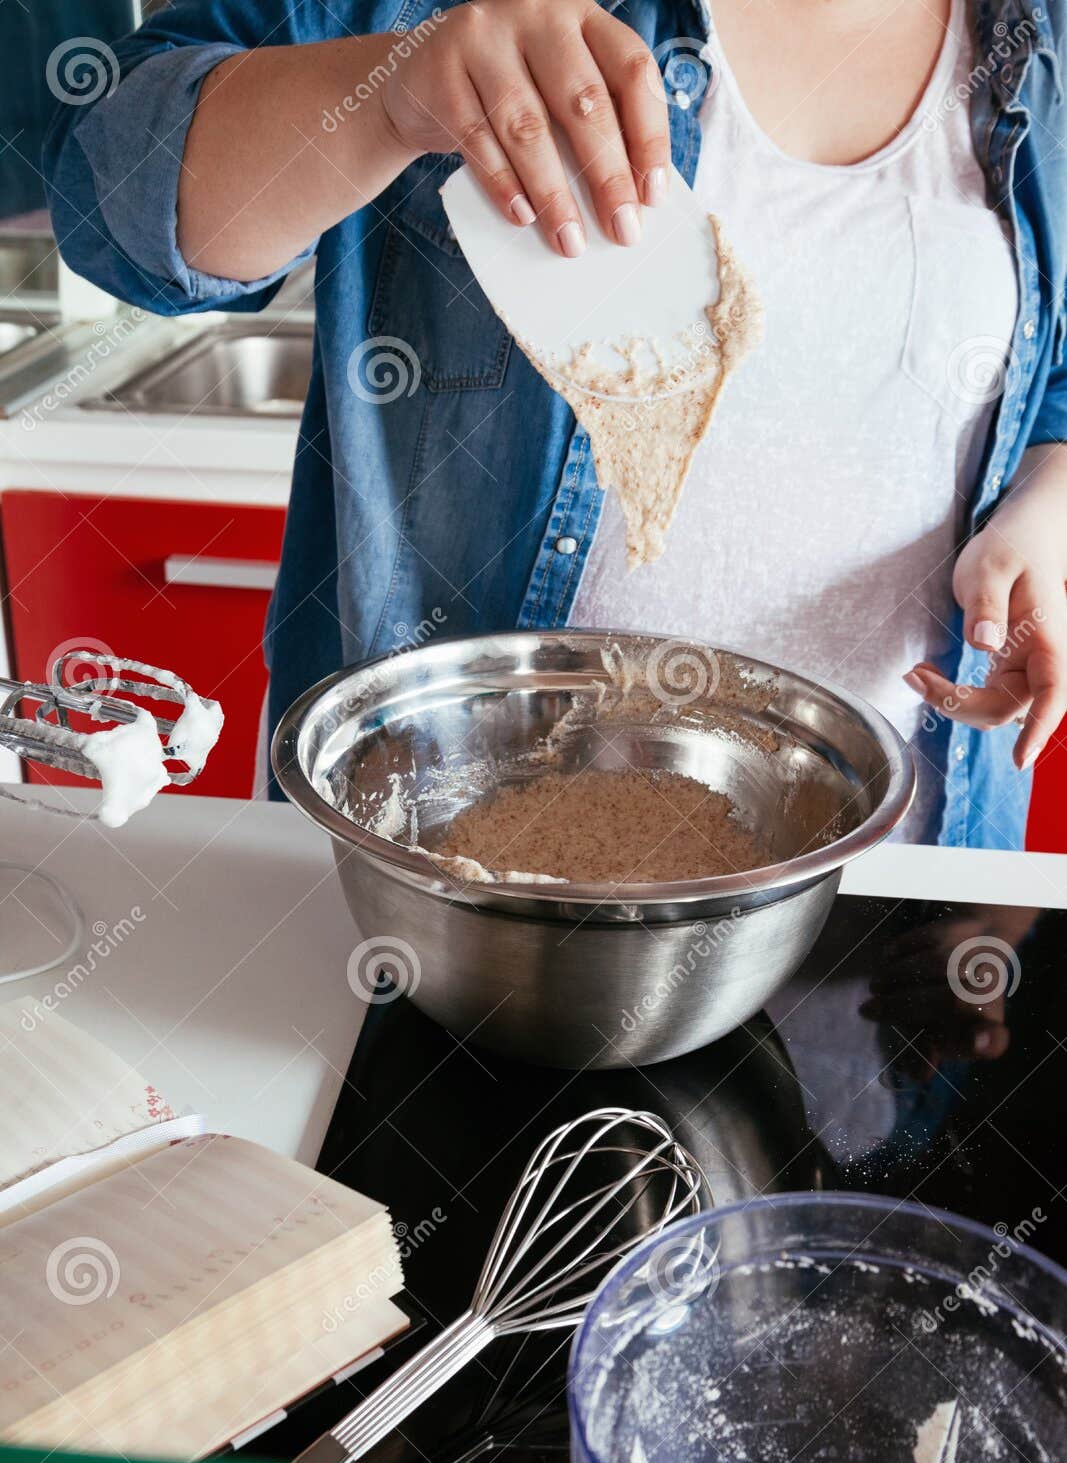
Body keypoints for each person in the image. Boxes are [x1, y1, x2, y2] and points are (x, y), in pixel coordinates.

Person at [44, 0, 1067, 846]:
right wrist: (389, 96)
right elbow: (110, 206)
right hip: (457, 871)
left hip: (906, 866)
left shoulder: (1035, 35)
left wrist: (1044, 507)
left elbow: (1049, 376)